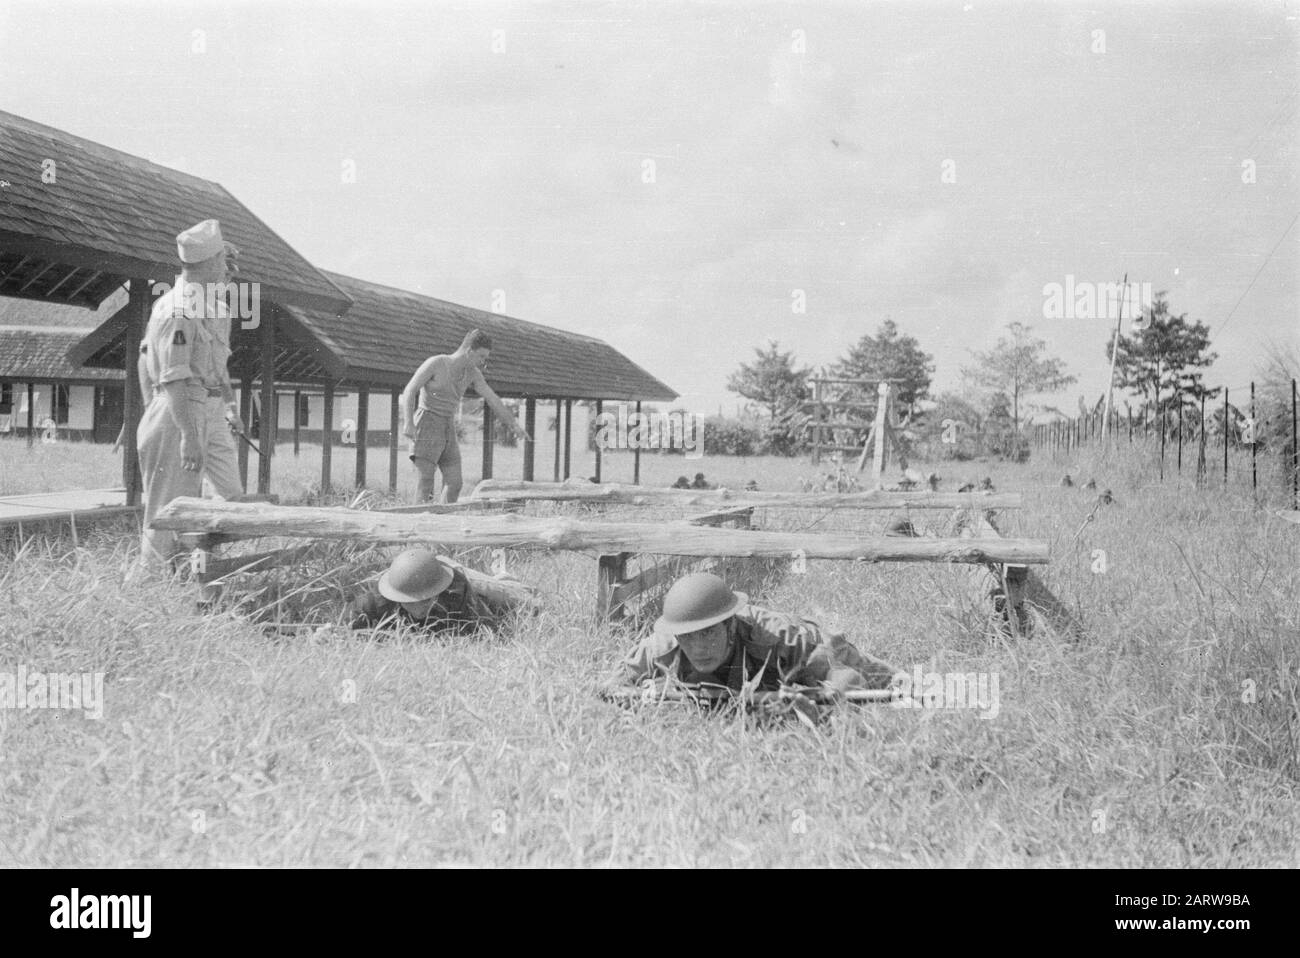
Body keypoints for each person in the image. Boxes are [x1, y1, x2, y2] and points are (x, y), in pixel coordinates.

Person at [607, 573, 898, 713]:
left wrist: (825, 707)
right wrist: (652, 697)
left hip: (816, 645)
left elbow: (848, 679)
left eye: (708, 634)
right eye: (688, 637)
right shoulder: (660, 647)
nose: (697, 648)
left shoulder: (779, 639)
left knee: (897, 688)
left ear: (730, 626)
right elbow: (609, 691)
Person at [136, 219, 246, 569]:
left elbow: (216, 365)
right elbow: (171, 379)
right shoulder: (177, 310)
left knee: (228, 497)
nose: (226, 269)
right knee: (168, 509)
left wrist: (228, 404)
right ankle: (147, 585)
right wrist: (183, 432)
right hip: (180, 411)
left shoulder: (213, 308)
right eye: (222, 261)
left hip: (206, 408)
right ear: (212, 262)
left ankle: (200, 571)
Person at [401, 329, 529, 503]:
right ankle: (415, 525)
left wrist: (513, 425)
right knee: (426, 482)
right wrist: (408, 422)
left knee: (455, 483)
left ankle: (444, 523)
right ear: (469, 351)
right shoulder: (437, 363)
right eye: (481, 357)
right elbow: (410, 390)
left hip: (448, 426)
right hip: (427, 423)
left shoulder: (473, 373)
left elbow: (492, 398)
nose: (483, 362)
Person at [348, 548, 536, 634]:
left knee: (529, 604)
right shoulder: (372, 604)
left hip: (445, 571)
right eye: (412, 602)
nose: (421, 607)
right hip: (413, 569)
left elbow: (486, 630)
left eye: (426, 600)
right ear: (396, 596)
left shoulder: (455, 588)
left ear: (436, 593)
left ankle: (510, 583)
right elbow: (347, 634)